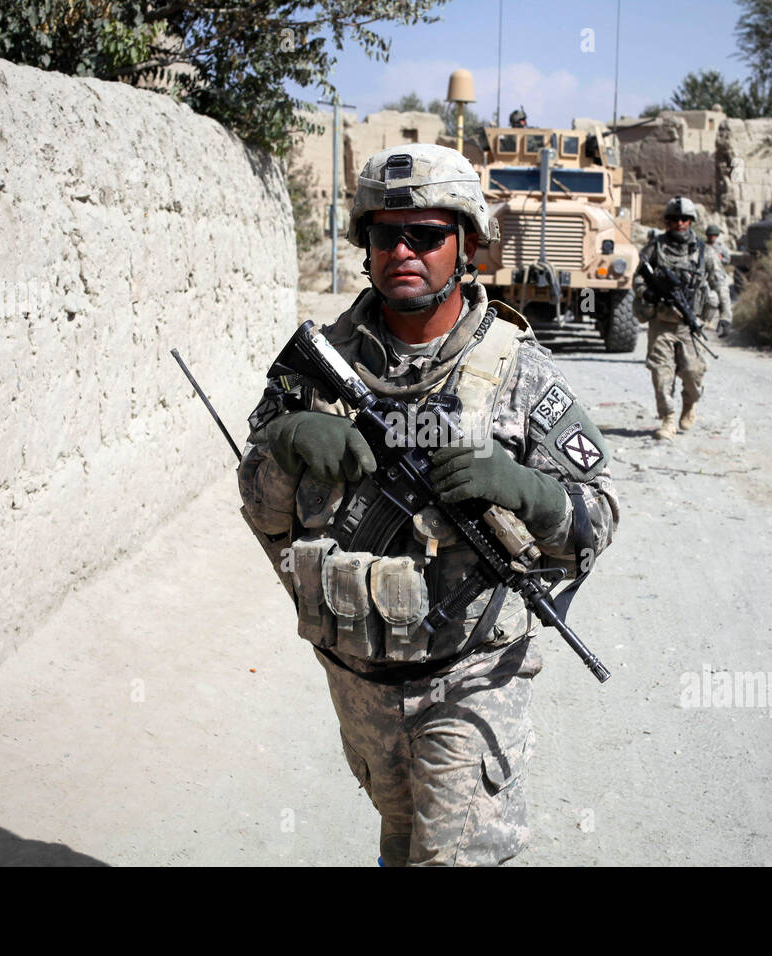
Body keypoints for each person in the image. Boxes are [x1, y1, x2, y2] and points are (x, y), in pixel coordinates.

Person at [236, 144, 619, 867]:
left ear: (467, 244)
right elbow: (260, 513)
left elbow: (598, 516)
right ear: (365, 244)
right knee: (403, 843)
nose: (403, 250)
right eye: (386, 234)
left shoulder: (515, 368)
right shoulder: (323, 365)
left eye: (426, 234)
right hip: (357, 674)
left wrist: (523, 488)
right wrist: (284, 444)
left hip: (471, 672)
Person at [636, 196, 732, 440]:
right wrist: (646, 291)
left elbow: (720, 284)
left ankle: (689, 404)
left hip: (689, 326)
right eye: (674, 219)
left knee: (692, 373)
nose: (679, 223)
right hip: (661, 324)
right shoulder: (655, 248)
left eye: (684, 219)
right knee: (660, 373)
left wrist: (726, 316)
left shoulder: (704, 252)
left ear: (691, 221)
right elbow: (638, 277)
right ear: (667, 221)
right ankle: (668, 418)